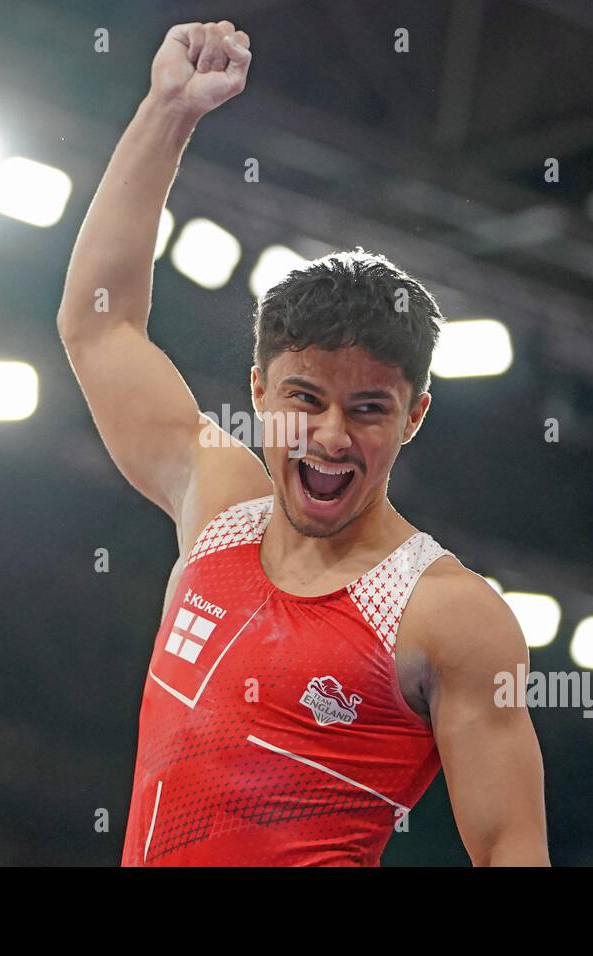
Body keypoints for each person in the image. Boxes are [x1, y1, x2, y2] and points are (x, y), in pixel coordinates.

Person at [57, 20, 549, 866]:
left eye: (367, 409)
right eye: (305, 400)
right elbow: (99, 332)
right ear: (257, 393)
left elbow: (514, 852)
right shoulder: (219, 510)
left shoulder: (448, 616)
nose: (329, 437)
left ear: (414, 417)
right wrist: (166, 111)